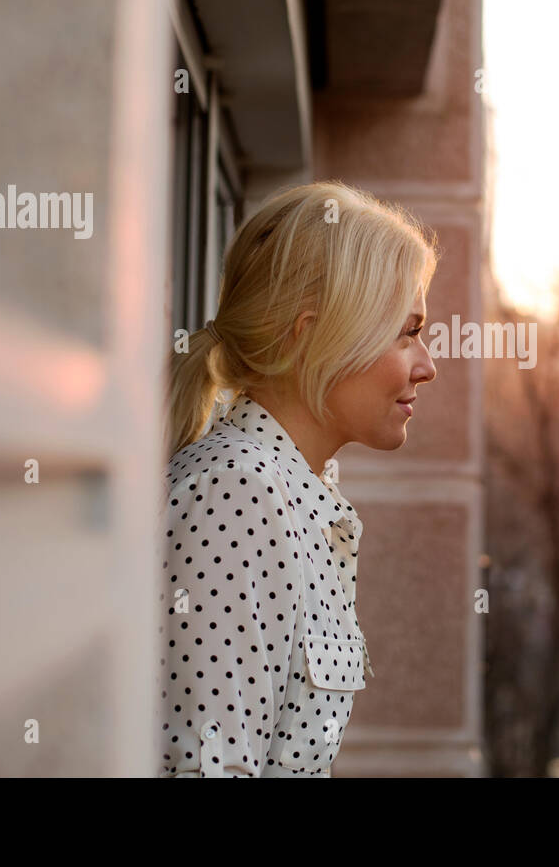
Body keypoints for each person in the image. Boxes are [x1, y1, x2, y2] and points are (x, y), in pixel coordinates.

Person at [158, 180, 439, 776]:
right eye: (407, 332)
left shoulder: (289, 497)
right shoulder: (238, 494)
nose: (428, 366)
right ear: (311, 334)